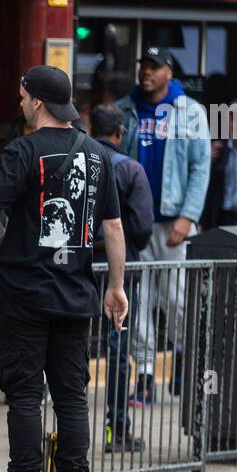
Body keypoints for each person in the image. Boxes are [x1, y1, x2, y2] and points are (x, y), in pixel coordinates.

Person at [0, 66, 129, 472]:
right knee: (72, 396)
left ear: (37, 102)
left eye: (22, 96)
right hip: (77, 294)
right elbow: (112, 227)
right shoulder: (97, 157)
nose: (19, 103)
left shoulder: (22, 153)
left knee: (26, 398)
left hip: (23, 293)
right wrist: (116, 286)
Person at [116, 46, 211, 403]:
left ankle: (184, 363)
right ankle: (144, 375)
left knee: (177, 301)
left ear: (169, 72)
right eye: (144, 66)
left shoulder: (191, 112)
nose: (147, 73)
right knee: (137, 303)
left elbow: (201, 167)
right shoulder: (127, 109)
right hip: (136, 224)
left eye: (154, 67)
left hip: (174, 223)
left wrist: (188, 216)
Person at [90, 104, 153, 453]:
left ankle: (67, 431)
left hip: (78, 267)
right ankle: (117, 428)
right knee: (117, 349)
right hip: (120, 272)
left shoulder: (77, 162)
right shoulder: (130, 169)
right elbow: (143, 229)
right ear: (120, 133)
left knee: (76, 345)